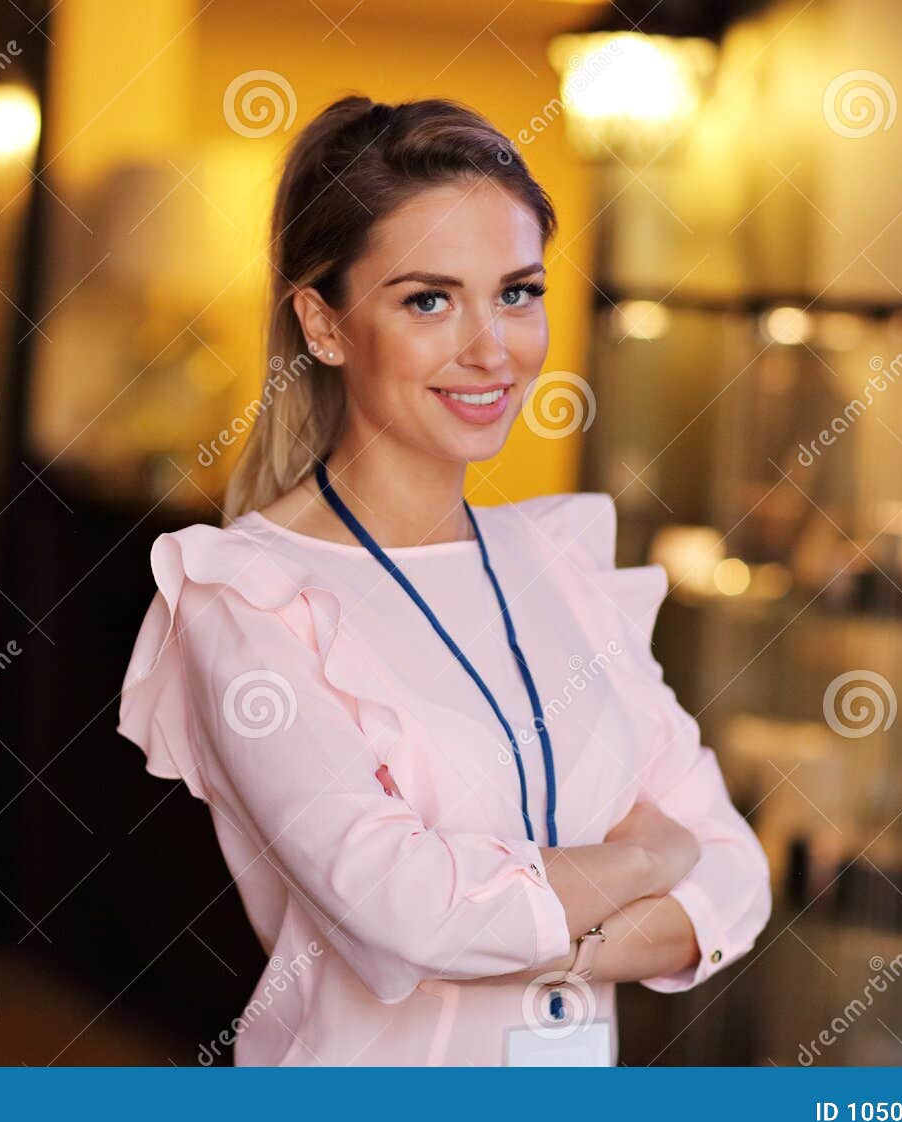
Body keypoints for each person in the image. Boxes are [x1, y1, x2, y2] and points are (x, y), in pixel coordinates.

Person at [117, 94, 770, 1066]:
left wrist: (516, 931)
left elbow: (735, 872)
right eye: (429, 299)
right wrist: (639, 859)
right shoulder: (245, 596)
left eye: (515, 291)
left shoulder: (561, 561)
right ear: (324, 324)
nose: (490, 346)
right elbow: (408, 916)